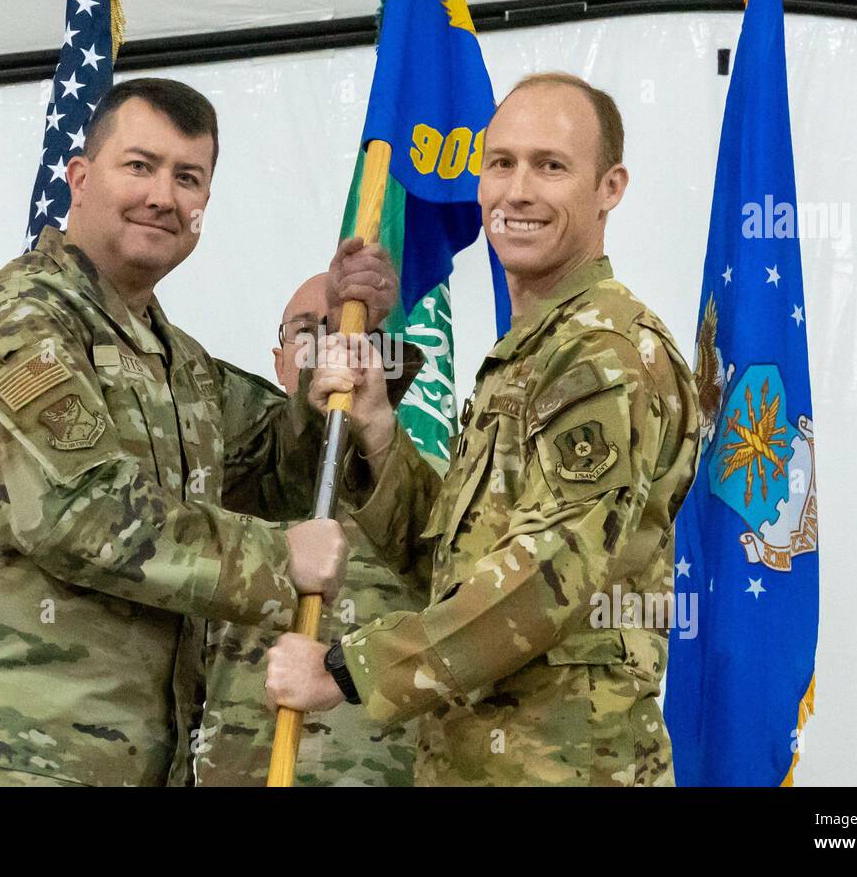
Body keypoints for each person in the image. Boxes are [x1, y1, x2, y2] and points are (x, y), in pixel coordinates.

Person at [0, 77, 395, 786]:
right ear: (80, 178)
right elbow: (76, 512)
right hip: (11, 756)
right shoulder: (15, 323)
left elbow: (285, 470)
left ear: (204, 208)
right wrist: (281, 559)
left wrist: (352, 344)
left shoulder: (178, 363)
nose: (163, 195)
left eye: (188, 178)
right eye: (140, 165)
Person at [264, 72, 701, 786]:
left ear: (610, 187)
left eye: (550, 166)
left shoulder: (606, 354)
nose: (518, 191)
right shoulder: (531, 353)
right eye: (501, 163)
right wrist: (377, 428)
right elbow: (453, 562)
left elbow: (545, 576)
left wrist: (347, 669)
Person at [194, 273, 425, 786]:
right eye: (307, 331)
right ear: (278, 359)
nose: (330, 344)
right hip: (242, 768)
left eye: (347, 329)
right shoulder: (225, 476)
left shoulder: (425, 487)